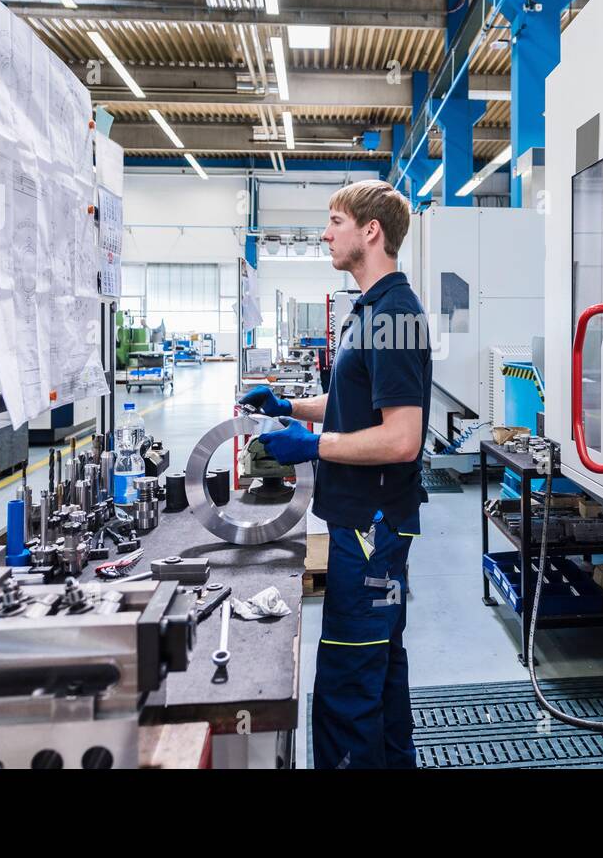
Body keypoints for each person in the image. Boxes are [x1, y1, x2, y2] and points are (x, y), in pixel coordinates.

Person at [241, 179, 431, 769]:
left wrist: (314, 447)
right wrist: (289, 409)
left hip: (370, 533)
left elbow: (402, 438)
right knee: (381, 665)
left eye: (335, 222)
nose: (325, 233)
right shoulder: (369, 309)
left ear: (370, 232)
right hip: (365, 525)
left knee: (348, 681)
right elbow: (354, 403)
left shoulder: (395, 315)